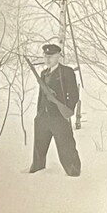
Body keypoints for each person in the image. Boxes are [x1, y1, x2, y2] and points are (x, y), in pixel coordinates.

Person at [27, 42, 81, 177]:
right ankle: (36, 173)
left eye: (50, 56)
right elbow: (41, 96)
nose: (47, 59)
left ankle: (74, 174)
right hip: (42, 118)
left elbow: (74, 95)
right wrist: (38, 114)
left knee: (66, 148)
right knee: (39, 150)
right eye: (45, 56)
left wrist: (67, 111)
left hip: (59, 117)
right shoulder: (43, 73)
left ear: (58, 56)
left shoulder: (66, 72)